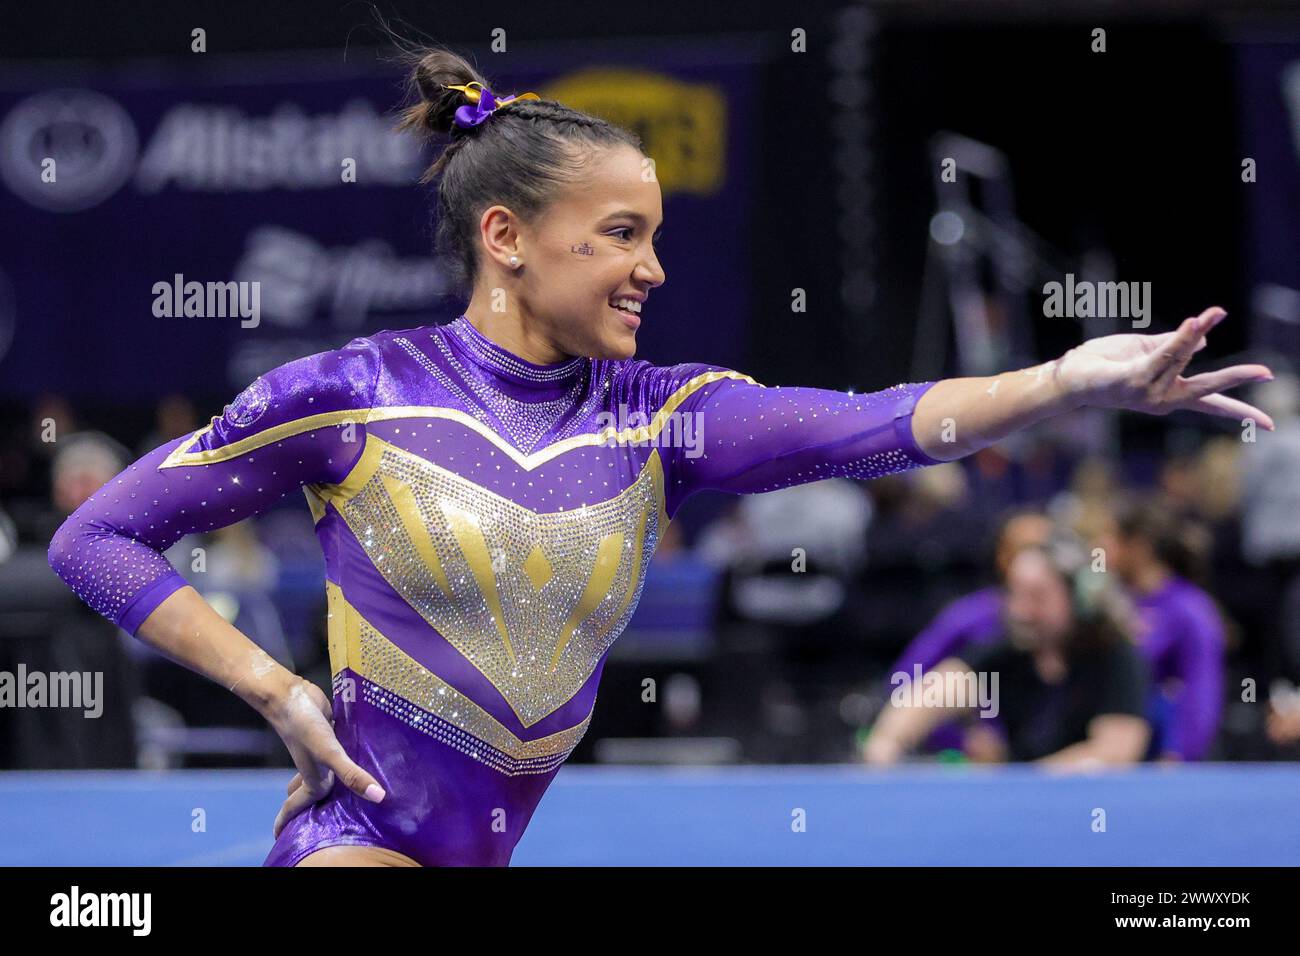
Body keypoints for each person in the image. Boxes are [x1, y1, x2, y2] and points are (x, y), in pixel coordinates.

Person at [48, 46, 1275, 866]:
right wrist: (278, 689)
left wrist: (1068, 379)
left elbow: (877, 418)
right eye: (621, 234)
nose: (653, 268)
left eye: (659, 234)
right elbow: (94, 536)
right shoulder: (354, 395)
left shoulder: (663, 418)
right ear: (506, 237)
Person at [863, 533, 1151, 766]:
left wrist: (1018, 782)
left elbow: (1113, 754)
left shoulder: (1116, 656)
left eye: (1037, 597)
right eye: (1015, 594)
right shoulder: (1009, 650)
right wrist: (887, 741)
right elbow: (932, 694)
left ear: (1079, 600)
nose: (1020, 611)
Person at [883, 507, 1053, 754]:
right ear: (1003, 557)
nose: (1035, 563)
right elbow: (902, 685)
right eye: (1024, 551)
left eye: (1045, 551)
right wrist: (961, 740)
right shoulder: (967, 619)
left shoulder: (1076, 628)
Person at [1097, 496, 1226, 760]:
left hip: (1167, 761)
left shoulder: (1189, 609)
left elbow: (1201, 691)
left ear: (1139, 547)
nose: (1099, 548)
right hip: (1121, 755)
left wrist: (1177, 756)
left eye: (1110, 538)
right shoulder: (1113, 604)